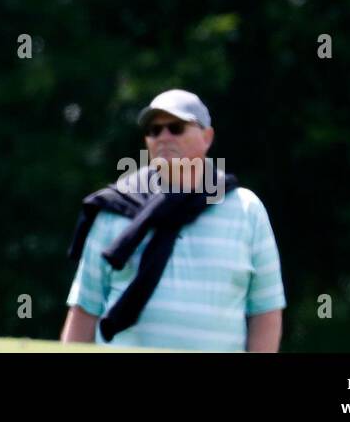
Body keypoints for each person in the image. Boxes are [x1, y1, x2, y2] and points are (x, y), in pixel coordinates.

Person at [59, 89, 286, 351]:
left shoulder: (247, 210)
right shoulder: (114, 209)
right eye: (154, 131)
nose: (163, 137)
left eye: (176, 128)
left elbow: (266, 311)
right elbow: (85, 309)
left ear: (207, 137)